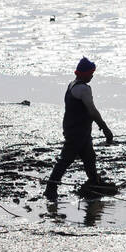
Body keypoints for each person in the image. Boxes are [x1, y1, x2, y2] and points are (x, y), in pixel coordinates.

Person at [45, 57, 113, 200]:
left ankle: (94, 181)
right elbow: (92, 111)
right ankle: (51, 188)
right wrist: (105, 128)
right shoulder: (83, 89)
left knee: (89, 157)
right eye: (91, 73)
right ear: (84, 73)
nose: (92, 76)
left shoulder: (71, 85)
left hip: (72, 128)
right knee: (65, 159)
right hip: (78, 131)